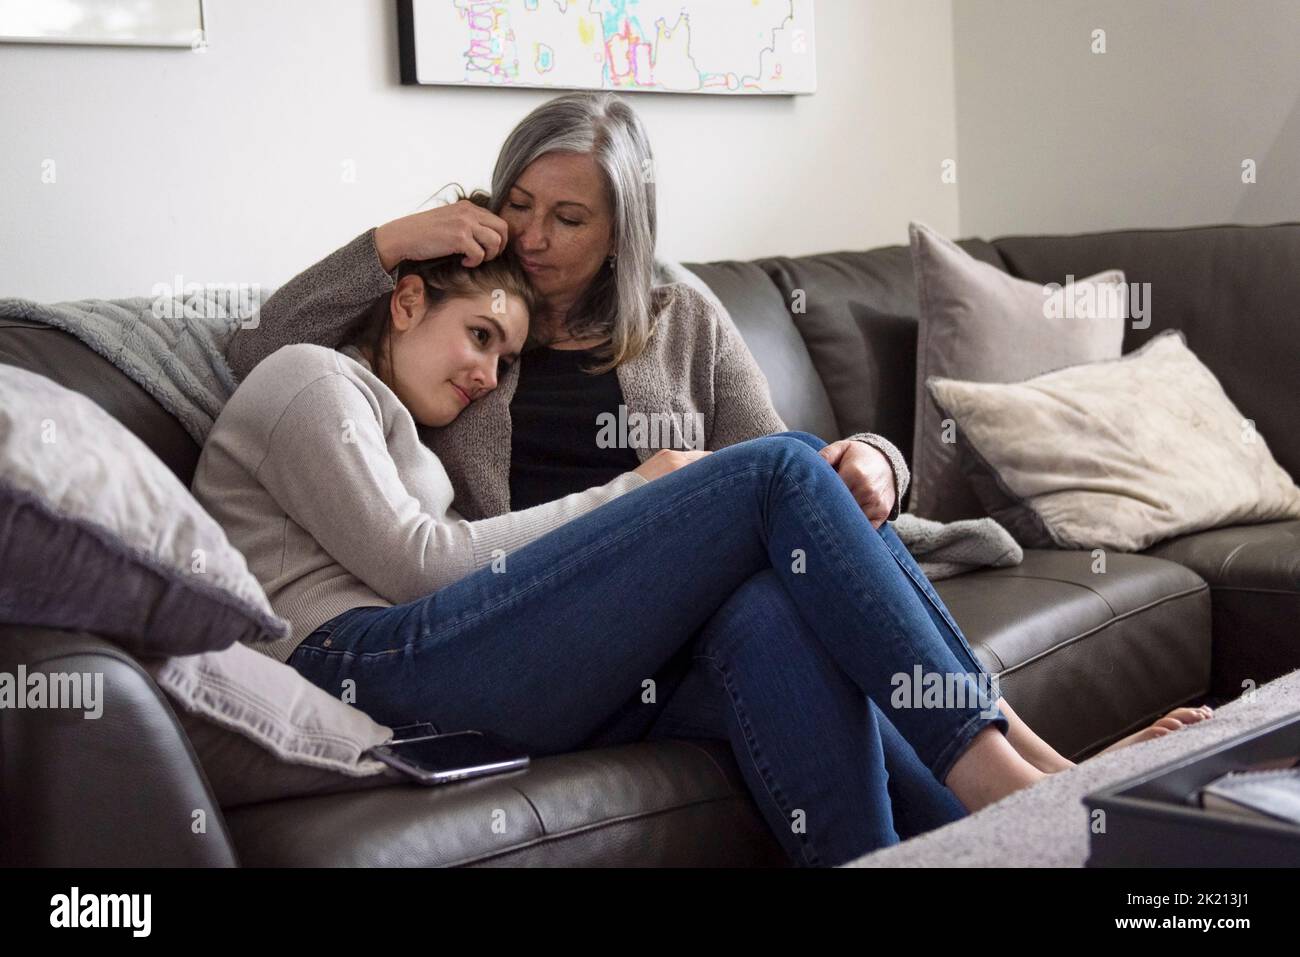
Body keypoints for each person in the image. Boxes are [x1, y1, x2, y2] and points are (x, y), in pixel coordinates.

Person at [216, 94, 1212, 865]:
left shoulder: (676, 314)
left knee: (773, 614)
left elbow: (800, 486)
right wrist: (392, 243)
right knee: (772, 483)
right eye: (517, 205)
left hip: (658, 636)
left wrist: (880, 466)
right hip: (521, 619)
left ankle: (959, 827)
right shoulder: (460, 327)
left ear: (623, 231)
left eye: (568, 217)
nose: (533, 236)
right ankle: (1028, 780)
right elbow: (276, 354)